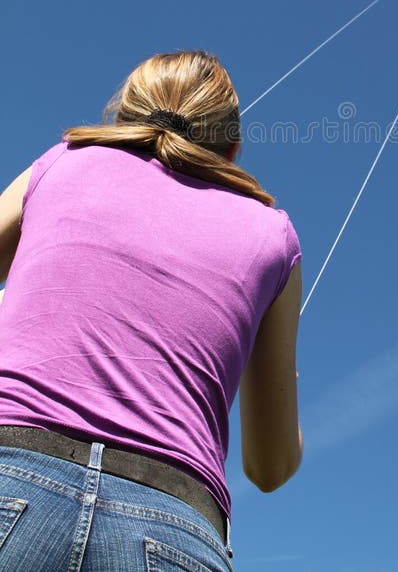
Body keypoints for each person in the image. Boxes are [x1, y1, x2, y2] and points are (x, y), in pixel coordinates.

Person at [0, 50, 303, 571]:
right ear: (232, 147)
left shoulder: (62, 162)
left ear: (125, 116)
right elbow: (269, 467)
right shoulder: (274, 234)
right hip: (175, 518)